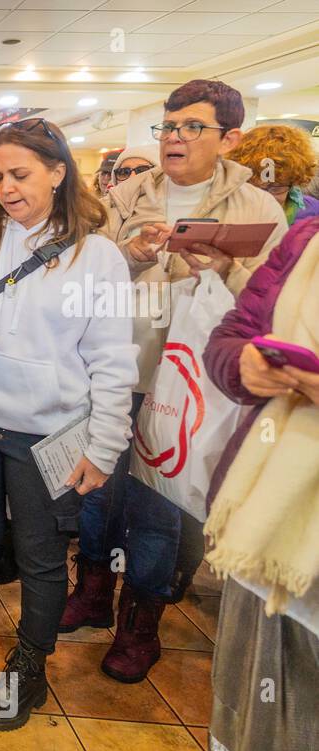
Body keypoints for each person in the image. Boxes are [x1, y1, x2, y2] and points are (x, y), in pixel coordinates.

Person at [64, 79, 288, 683]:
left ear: (229, 137)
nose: (175, 139)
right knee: (97, 489)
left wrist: (226, 271)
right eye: (168, 127)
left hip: (192, 385)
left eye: (192, 127)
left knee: (160, 504)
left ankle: (141, 624)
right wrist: (131, 257)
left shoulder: (258, 209)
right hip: (119, 370)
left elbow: (274, 309)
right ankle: (89, 591)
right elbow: (80, 283)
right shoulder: (122, 197)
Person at [0, 118, 138, 730]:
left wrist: (103, 448)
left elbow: (113, 360)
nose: (6, 189)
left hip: (47, 430)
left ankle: (30, 663)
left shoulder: (96, 258)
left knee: (41, 553)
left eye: (19, 175)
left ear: (58, 172)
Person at [195, 216, 319, 751]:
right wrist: (243, 364)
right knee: (275, 676)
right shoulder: (307, 238)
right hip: (266, 507)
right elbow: (234, 335)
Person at [227, 123, 319, 226]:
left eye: (275, 189)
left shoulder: (313, 213)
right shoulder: (227, 208)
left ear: (293, 182)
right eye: (254, 187)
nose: (265, 197)